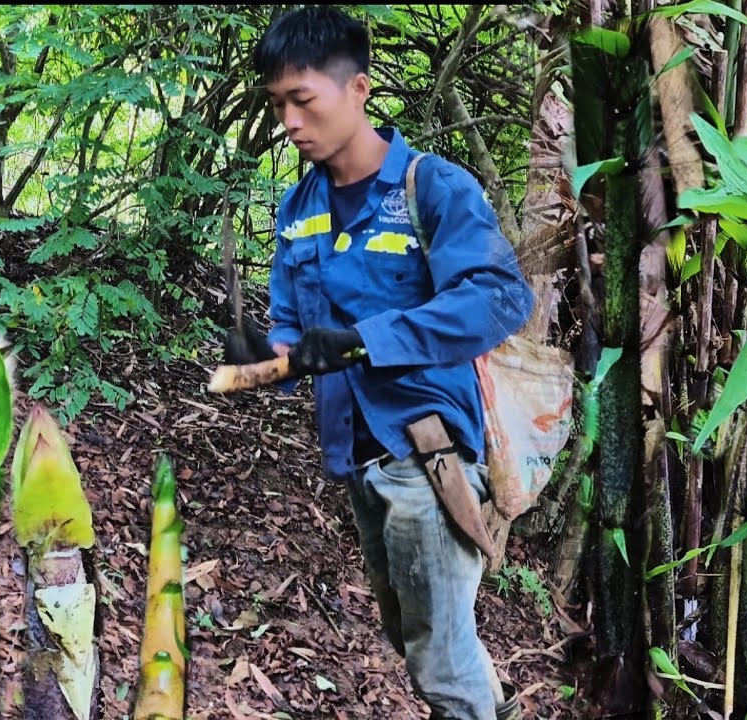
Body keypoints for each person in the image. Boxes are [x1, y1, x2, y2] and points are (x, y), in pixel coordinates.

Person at [225, 6, 533, 720]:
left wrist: (368, 338)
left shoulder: (432, 188)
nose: (290, 122)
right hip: (357, 456)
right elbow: (294, 340)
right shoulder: (298, 208)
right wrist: (258, 362)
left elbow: (499, 297)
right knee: (417, 634)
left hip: (427, 451)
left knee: (437, 654)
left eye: (304, 100)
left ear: (358, 89)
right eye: (278, 106)